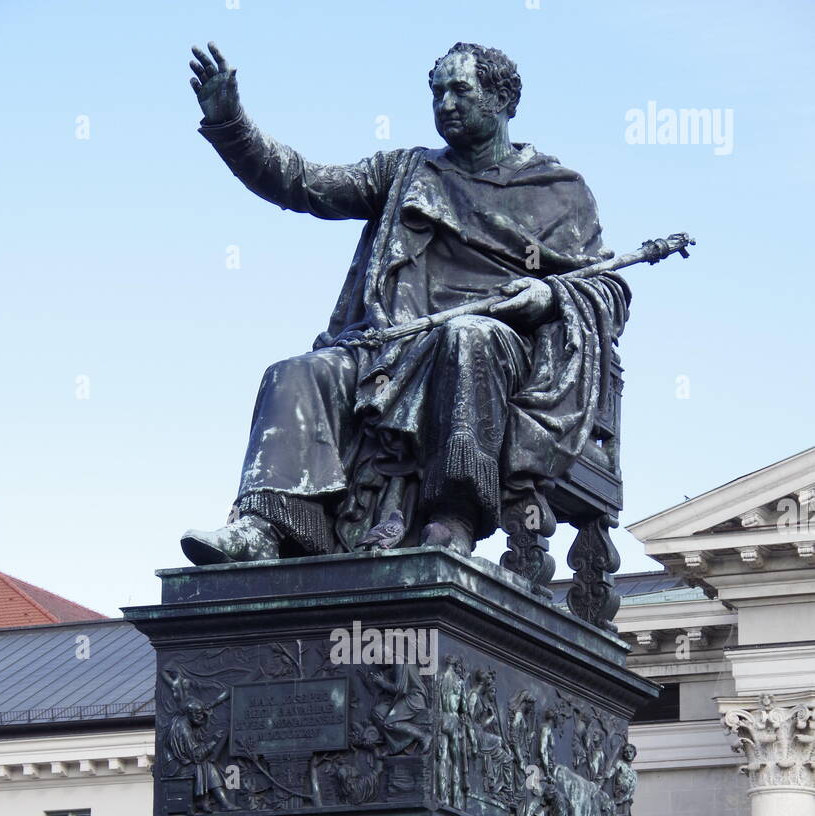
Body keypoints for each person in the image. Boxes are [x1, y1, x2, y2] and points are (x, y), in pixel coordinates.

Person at [181, 41, 628, 567]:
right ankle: (267, 526)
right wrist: (231, 122)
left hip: (502, 353)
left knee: (468, 338)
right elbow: (303, 183)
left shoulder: (558, 191)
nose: (446, 104)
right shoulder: (407, 172)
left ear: (503, 99)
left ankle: (454, 516)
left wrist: (547, 294)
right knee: (297, 373)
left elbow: (607, 290)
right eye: (437, 92)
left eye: (460, 90)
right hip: (392, 345)